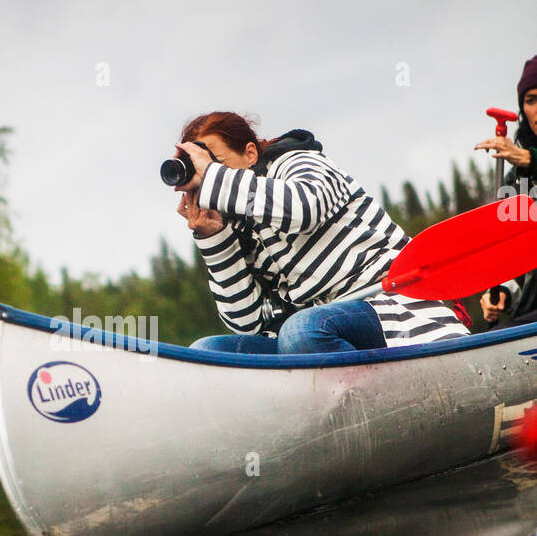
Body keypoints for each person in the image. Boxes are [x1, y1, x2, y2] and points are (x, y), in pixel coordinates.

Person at [174, 111, 469, 354]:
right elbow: (247, 323)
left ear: (250, 153)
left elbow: (305, 209)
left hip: (388, 304)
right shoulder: (237, 223)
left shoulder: (299, 161)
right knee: (208, 351)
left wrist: (214, 177)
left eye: (217, 164)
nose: (208, 178)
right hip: (314, 338)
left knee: (301, 331)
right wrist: (216, 240)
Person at [475, 54, 537, 327]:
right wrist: (501, 292)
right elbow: (513, 261)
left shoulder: (526, 161)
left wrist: (530, 159)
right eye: (531, 100)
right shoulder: (515, 180)